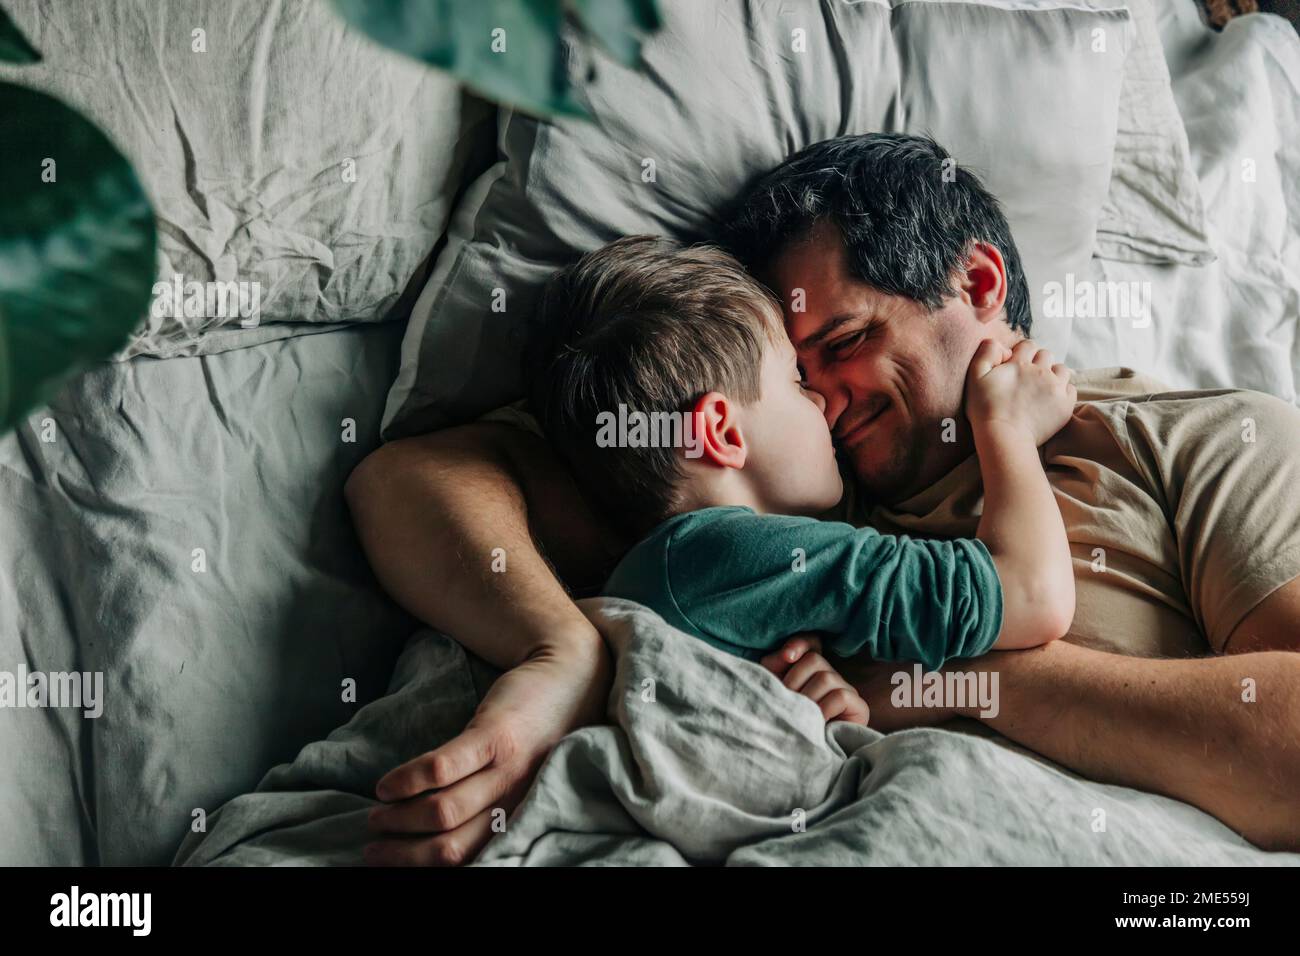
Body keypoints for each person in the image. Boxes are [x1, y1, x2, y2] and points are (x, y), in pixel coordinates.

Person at [347, 134, 1300, 864]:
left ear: (976, 283)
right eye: (795, 374)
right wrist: (559, 649)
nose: (823, 401)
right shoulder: (771, 494)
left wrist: (930, 689)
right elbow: (407, 477)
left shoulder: (1197, 438)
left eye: (842, 345)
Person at [530, 236, 1075, 675]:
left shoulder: (673, 568)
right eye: (797, 380)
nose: (825, 403)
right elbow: (1031, 594)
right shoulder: (734, 553)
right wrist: (1006, 426)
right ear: (720, 431)